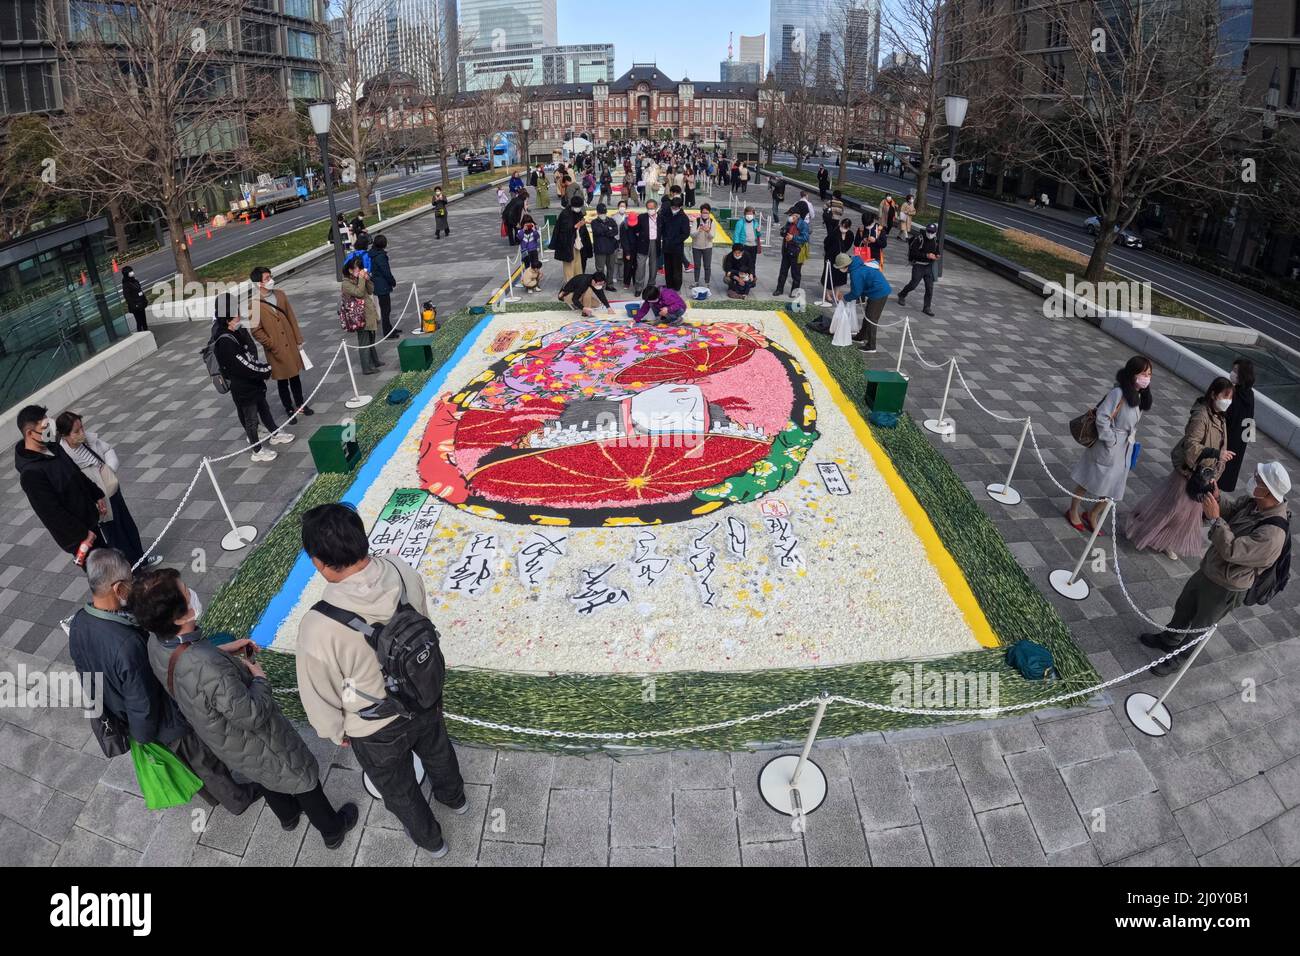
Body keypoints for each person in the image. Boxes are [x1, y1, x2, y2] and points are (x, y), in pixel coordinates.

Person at [132, 567, 359, 848]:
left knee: (261, 774)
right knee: (300, 776)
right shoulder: (206, 665)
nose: (192, 593)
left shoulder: (156, 642)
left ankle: (288, 816)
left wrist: (224, 650)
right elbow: (251, 714)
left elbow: (190, 668)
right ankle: (332, 830)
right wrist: (260, 678)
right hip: (258, 739)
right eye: (186, 593)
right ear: (180, 616)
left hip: (226, 742)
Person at [295, 504, 466, 856]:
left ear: (318, 562)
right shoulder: (400, 570)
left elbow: (318, 695)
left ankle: (433, 843)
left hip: (374, 727)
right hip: (424, 694)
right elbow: (423, 624)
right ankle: (456, 799)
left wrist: (335, 732)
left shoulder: (318, 627)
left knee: (398, 788)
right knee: (438, 751)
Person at [70, 549, 257, 814]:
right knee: (202, 760)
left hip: (124, 714)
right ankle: (238, 799)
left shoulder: (80, 621)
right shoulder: (126, 646)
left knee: (188, 763)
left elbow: (85, 674)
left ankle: (212, 797)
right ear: (118, 587)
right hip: (165, 721)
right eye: (130, 581)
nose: (133, 586)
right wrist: (144, 737)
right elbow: (142, 700)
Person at [1138, 461, 1291, 675]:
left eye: (1258, 480)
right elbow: (1231, 511)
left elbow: (1233, 551)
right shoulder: (1254, 502)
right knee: (1184, 605)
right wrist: (1216, 498)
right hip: (1210, 569)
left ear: (1268, 490)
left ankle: (1177, 661)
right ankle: (1168, 639)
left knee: (1200, 626)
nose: (1253, 480)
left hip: (1227, 586)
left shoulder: (1273, 534)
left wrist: (1215, 519)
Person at [1126, 376, 1235, 560]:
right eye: (1225, 396)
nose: (1228, 401)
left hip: (1202, 475)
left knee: (1182, 512)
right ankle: (1158, 537)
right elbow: (1191, 445)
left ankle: (1166, 539)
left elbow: (1221, 445)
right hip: (1188, 472)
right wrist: (1216, 454)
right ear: (1214, 394)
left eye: (1230, 397)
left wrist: (1216, 470)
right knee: (1175, 509)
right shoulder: (1201, 415)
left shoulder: (1220, 418)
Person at [56, 411, 159, 569]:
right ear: (64, 435)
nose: (81, 433)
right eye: (76, 431)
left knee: (128, 526)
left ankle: (142, 558)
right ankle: (133, 570)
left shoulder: (88, 440)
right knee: (116, 536)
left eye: (82, 427)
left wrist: (109, 469)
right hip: (100, 500)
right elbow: (77, 484)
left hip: (112, 490)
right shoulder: (65, 458)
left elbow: (107, 449)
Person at [1066, 356, 1153, 533]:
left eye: (1149, 374)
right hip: (1108, 444)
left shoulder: (1140, 396)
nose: (1146, 377)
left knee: (1114, 486)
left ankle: (1093, 514)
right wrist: (1110, 439)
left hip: (1124, 447)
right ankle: (1073, 510)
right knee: (1088, 478)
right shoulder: (1118, 393)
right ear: (1132, 373)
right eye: (1143, 373)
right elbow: (1102, 417)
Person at [15, 404, 107, 567]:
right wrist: (82, 534)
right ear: (29, 433)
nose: (50, 432)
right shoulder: (31, 474)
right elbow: (52, 514)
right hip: (79, 536)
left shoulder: (54, 447)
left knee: (111, 561)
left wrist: (96, 494)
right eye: (45, 428)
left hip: (89, 519)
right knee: (104, 575)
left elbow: (75, 472)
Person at [213, 297, 294, 463]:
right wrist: (265, 370)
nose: (239, 317)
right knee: (250, 419)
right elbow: (242, 365)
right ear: (227, 319)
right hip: (243, 387)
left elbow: (248, 353)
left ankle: (274, 433)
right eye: (235, 315)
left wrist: (260, 368)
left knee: (264, 408)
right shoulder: (225, 341)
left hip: (252, 383)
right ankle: (257, 450)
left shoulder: (235, 332)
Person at [249, 266, 314, 421]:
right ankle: (288, 408)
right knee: (282, 380)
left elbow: (291, 318)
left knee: (295, 377)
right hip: (275, 349)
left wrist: (298, 339)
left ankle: (300, 404)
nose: (271, 280)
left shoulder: (280, 295)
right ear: (259, 284)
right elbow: (256, 331)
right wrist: (271, 344)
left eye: (270, 277)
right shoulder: (254, 304)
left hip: (290, 344)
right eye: (266, 279)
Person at [841, 253, 892, 354]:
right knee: (868, 315)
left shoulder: (855, 273)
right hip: (878, 290)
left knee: (871, 319)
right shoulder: (858, 265)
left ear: (845, 266)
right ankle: (861, 336)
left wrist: (845, 297)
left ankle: (871, 345)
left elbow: (856, 292)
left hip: (879, 293)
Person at [340, 257, 383, 376]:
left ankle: (375, 361)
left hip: (368, 312)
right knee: (364, 341)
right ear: (349, 270)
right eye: (357, 269)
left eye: (360, 268)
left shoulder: (359, 279)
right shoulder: (346, 283)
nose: (359, 271)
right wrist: (361, 279)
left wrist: (367, 279)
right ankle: (366, 367)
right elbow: (359, 293)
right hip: (359, 316)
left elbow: (370, 291)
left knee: (371, 337)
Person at [1219, 358, 1257, 492]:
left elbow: (1225, 416)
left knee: (1214, 473)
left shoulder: (1234, 393)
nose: (1232, 373)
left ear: (1243, 375)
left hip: (1225, 441)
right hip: (1238, 445)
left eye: (1236, 371)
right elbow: (1250, 425)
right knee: (1224, 475)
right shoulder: (1250, 395)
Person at [898, 223, 939, 316]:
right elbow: (913, 253)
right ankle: (902, 294)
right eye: (929, 231)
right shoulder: (919, 239)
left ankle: (927, 307)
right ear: (926, 230)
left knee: (929, 287)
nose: (930, 233)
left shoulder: (935, 240)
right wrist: (926, 255)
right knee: (913, 284)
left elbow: (936, 250)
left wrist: (937, 255)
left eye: (932, 232)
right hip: (919, 265)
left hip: (928, 266)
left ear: (935, 233)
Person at [368, 235, 400, 340]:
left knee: (386, 308)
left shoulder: (373, 253)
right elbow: (385, 271)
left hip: (378, 283)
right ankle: (387, 332)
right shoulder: (380, 256)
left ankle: (390, 328)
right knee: (386, 310)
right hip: (382, 285)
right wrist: (392, 281)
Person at [773, 211, 810, 297]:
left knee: (796, 273)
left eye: (791, 215)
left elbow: (805, 238)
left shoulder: (803, 225)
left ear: (797, 216)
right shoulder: (789, 222)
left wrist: (793, 237)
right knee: (783, 271)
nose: (789, 217)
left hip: (797, 251)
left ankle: (794, 291)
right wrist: (783, 231)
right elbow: (784, 231)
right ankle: (779, 289)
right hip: (786, 250)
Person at [660, 197, 690, 291]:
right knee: (668, 268)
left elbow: (685, 233)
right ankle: (669, 285)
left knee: (676, 268)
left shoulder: (684, 218)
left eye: (676, 208)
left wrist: (675, 240)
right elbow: (662, 228)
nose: (674, 209)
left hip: (677, 248)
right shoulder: (667, 214)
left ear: (680, 207)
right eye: (672, 207)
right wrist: (664, 238)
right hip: (666, 246)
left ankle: (677, 287)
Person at [823, 216, 855, 301]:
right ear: (840, 224)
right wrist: (830, 252)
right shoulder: (834, 232)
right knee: (830, 275)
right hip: (831, 257)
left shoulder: (850, 234)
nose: (844, 228)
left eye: (846, 227)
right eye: (843, 226)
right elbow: (826, 243)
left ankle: (836, 295)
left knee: (840, 276)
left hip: (842, 258)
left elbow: (848, 245)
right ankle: (827, 294)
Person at [551, 199, 582, 282]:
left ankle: (577, 280)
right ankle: (569, 283)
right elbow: (564, 230)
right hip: (566, 244)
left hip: (574, 242)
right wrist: (575, 226)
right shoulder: (565, 214)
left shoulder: (576, 212)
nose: (579, 209)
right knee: (569, 264)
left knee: (577, 262)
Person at [592, 203, 620, 289]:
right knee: (600, 269)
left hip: (611, 248)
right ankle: (599, 284)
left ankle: (609, 284)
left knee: (611, 268)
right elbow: (598, 231)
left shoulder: (611, 220)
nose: (602, 214)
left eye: (604, 212)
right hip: (600, 249)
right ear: (597, 213)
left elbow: (615, 231)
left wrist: (606, 230)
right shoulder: (594, 222)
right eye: (601, 213)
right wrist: (608, 229)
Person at [731, 207, 762, 274]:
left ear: (753, 215)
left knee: (752, 262)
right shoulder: (740, 223)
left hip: (753, 245)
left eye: (751, 214)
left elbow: (758, 234)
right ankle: (742, 276)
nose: (749, 216)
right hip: (744, 245)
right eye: (748, 214)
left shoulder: (755, 222)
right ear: (745, 214)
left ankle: (752, 276)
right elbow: (736, 234)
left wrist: (758, 232)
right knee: (743, 262)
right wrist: (737, 247)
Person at [692, 205, 715, 286]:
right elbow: (692, 234)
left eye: (706, 212)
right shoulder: (696, 221)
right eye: (703, 212)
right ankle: (696, 282)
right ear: (700, 212)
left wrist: (708, 230)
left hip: (707, 247)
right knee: (697, 265)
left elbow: (712, 236)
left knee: (707, 266)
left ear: (709, 213)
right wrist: (699, 230)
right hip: (696, 247)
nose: (705, 214)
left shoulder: (712, 222)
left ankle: (707, 282)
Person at [122, 266, 148, 333]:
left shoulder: (135, 281)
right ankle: (140, 334)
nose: (132, 272)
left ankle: (147, 333)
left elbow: (140, 291)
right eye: (130, 271)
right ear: (126, 273)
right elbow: (127, 297)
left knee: (144, 320)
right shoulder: (126, 284)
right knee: (139, 321)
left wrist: (144, 300)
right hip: (135, 306)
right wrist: (134, 305)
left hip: (141, 303)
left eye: (131, 271)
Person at [620, 211, 641, 290]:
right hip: (628, 248)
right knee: (628, 266)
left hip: (637, 248)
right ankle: (626, 282)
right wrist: (627, 252)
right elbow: (624, 240)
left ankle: (636, 281)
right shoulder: (624, 225)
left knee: (636, 266)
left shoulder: (639, 223)